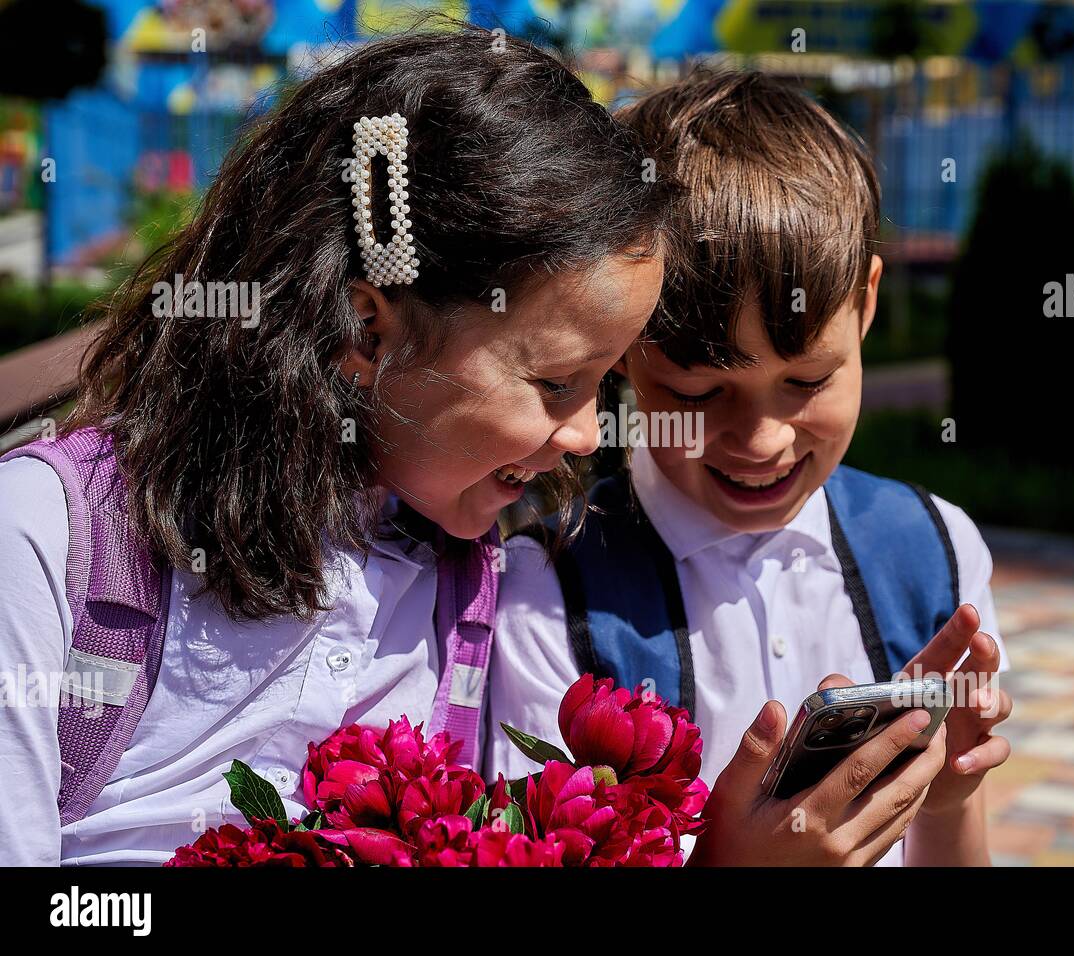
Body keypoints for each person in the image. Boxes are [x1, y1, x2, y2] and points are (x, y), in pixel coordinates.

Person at [0, 26, 669, 866]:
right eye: (558, 383)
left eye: (608, 386)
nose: (584, 434)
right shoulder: (52, 544)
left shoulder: (450, 579)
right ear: (365, 330)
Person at [486, 70, 1013, 866]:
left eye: (807, 382)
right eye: (698, 393)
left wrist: (947, 795)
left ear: (865, 303)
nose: (762, 441)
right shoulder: (547, 594)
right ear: (620, 340)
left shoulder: (937, 551)